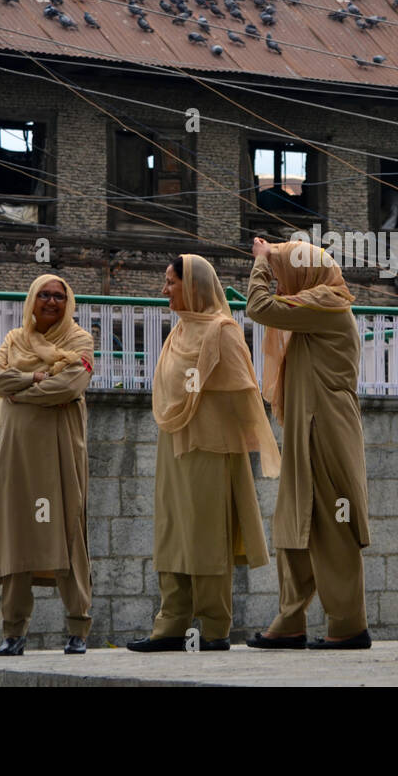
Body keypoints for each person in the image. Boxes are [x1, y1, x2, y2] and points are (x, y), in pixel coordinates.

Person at [129, 255, 280, 652]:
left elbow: (245, 391)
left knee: (207, 538)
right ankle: (170, 625)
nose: (165, 290)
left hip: (211, 449)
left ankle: (215, 628)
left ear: (193, 285)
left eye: (171, 282)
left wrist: (239, 441)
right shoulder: (179, 333)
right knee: (172, 532)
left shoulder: (221, 331)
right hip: (174, 446)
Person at [244, 238, 371, 650]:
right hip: (309, 426)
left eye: (285, 273)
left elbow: (260, 309)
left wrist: (262, 264)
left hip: (325, 429)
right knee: (294, 520)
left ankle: (349, 624)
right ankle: (289, 620)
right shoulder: (316, 306)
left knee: (333, 524)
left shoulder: (326, 301)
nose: (282, 283)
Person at [0, 274, 95, 656]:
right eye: (43, 295)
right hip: (16, 454)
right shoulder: (15, 339)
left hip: (60, 450)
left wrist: (22, 393)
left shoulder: (78, 340)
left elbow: (69, 386)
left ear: (68, 302)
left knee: (66, 533)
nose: (50, 302)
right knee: (16, 537)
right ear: (32, 299)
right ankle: (13, 633)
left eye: (58, 296)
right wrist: (32, 376)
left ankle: (78, 628)